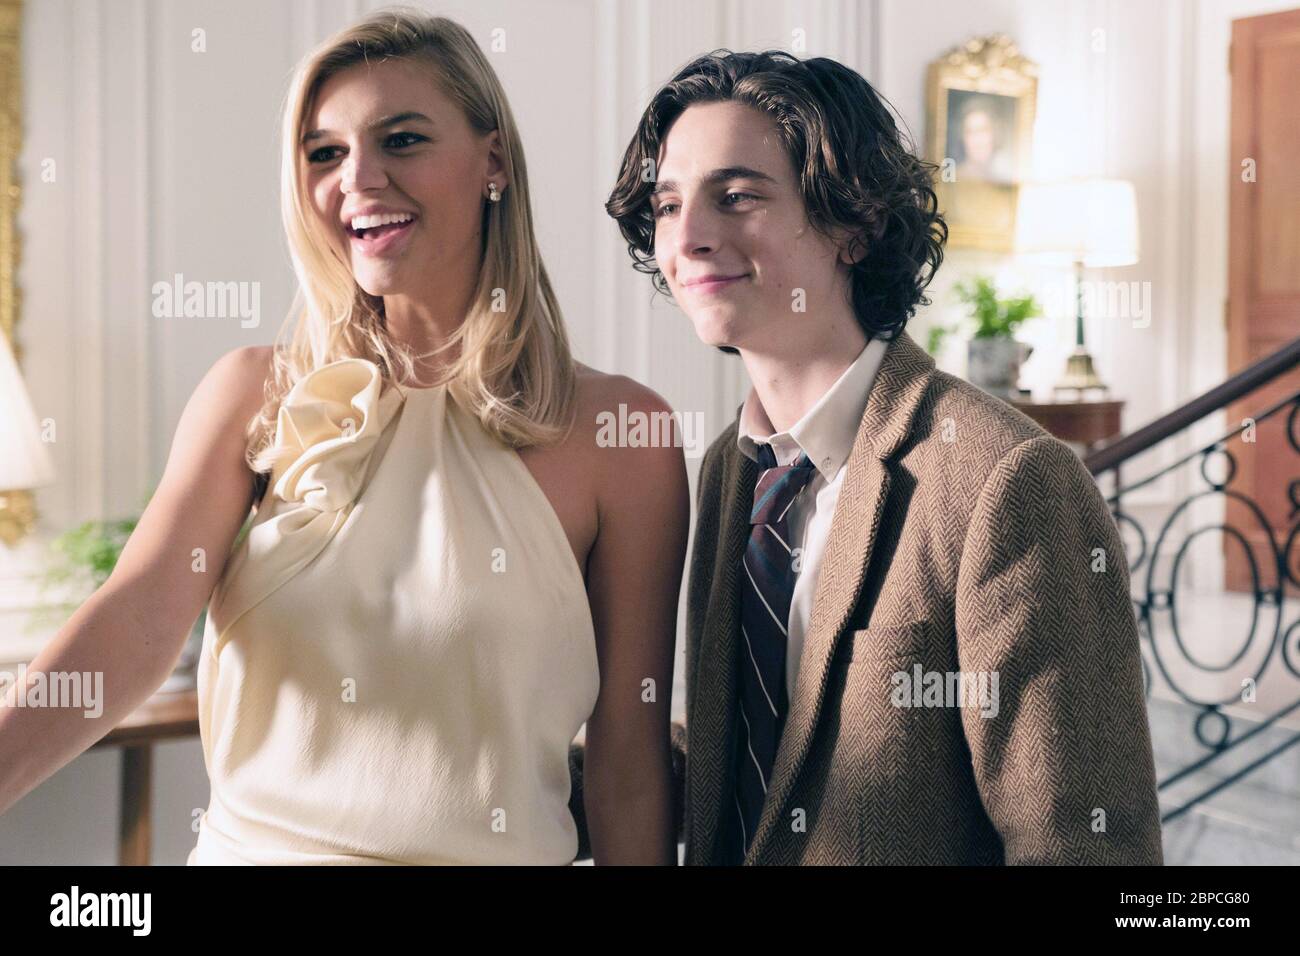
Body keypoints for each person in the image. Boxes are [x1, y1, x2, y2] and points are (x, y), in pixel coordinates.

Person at [0, 9, 686, 866]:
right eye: (324, 153)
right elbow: (135, 624)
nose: (359, 177)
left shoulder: (624, 437)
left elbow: (629, 758)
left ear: (493, 162)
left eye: (401, 141)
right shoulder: (249, 393)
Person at [595, 49, 1163, 864]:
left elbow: (1085, 848)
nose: (687, 237)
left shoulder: (1007, 480)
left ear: (854, 225)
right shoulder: (731, 468)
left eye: (737, 197)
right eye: (669, 203)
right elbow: (775, 763)